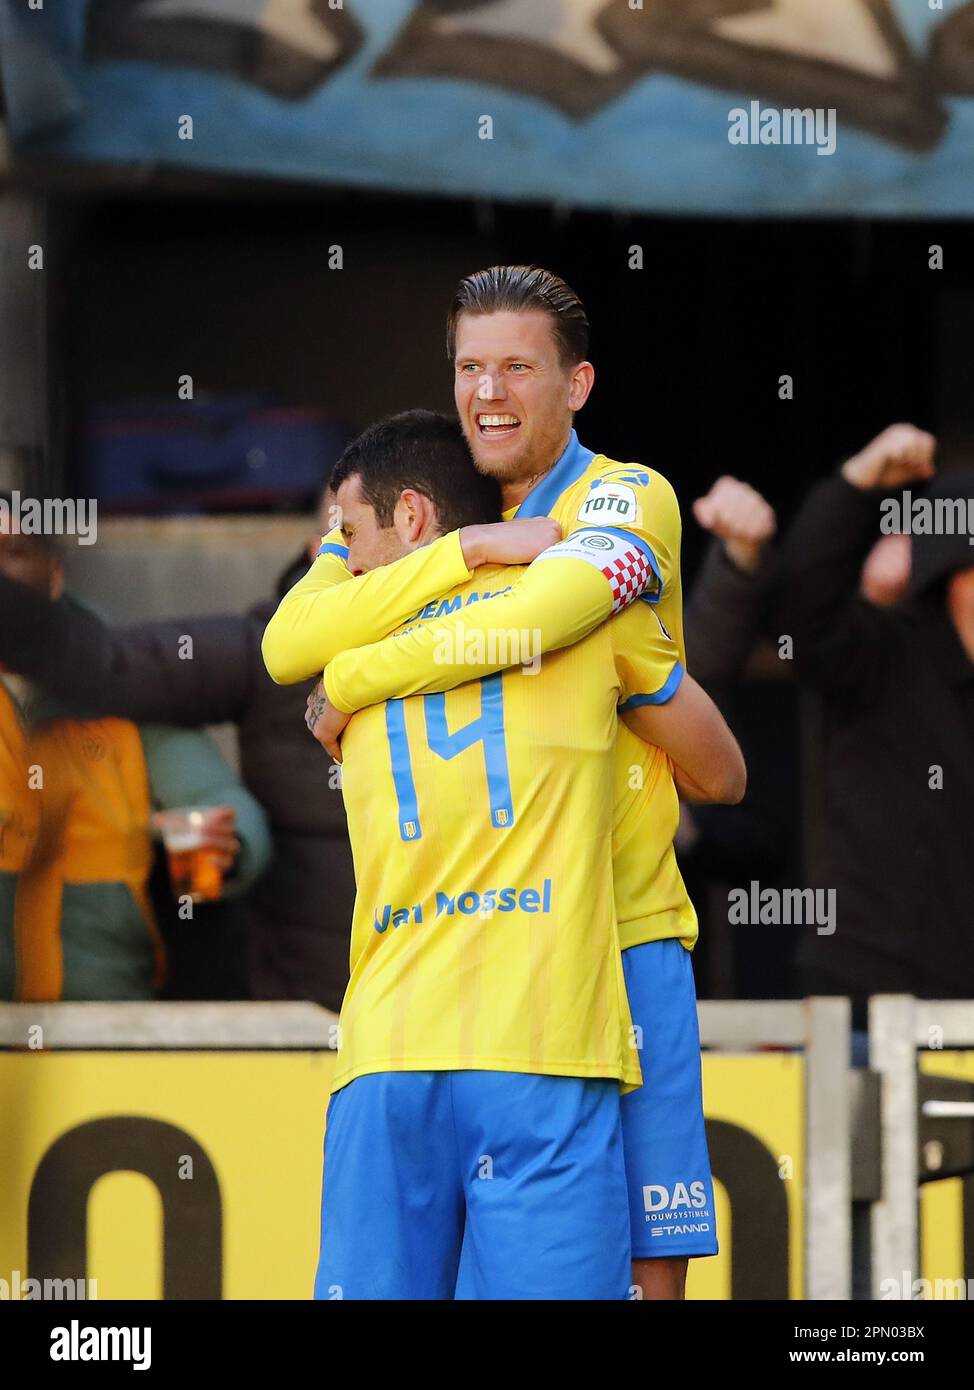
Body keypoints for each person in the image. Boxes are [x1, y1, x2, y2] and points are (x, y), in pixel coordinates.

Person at [263, 265, 722, 1299]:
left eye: (518, 366)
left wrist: (360, 674)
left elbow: (556, 611)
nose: (489, 391)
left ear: (578, 385)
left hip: (618, 933)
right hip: (468, 978)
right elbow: (288, 643)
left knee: (644, 1276)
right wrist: (462, 550)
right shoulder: (419, 511)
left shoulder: (620, 494)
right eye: (471, 366)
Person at [0, 501, 351, 1006]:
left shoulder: (117, 688)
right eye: (337, 534)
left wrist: (212, 853)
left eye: (14, 552)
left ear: (54, 578)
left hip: (114, 1023)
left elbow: (219, 824)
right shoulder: (268, 644)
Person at [775, 423, 974, 1008]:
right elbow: (802, 610)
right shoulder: (885, 652)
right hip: (868, 987)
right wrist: (856, 482)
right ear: (948, 575)